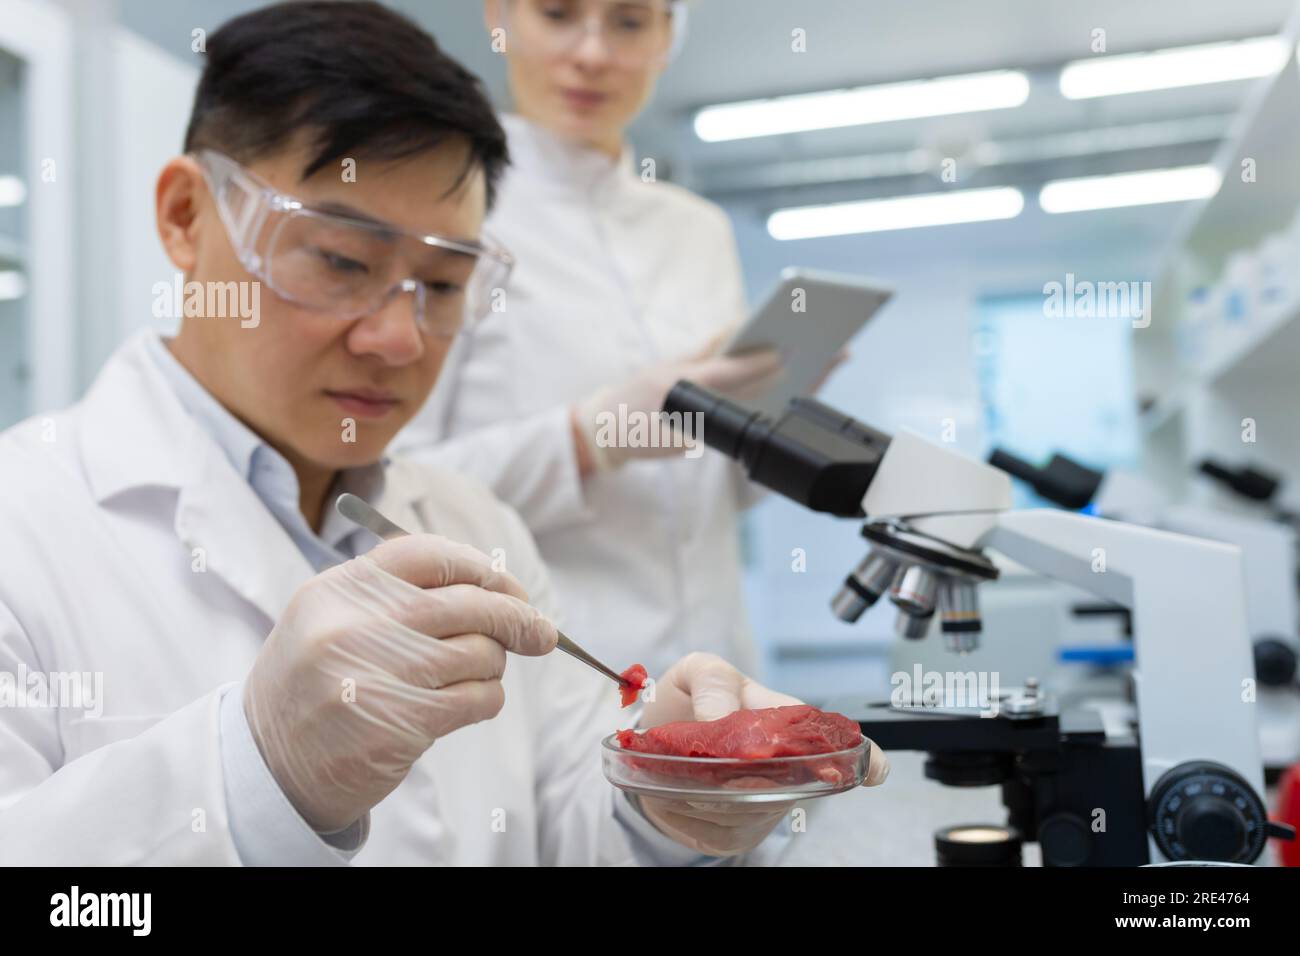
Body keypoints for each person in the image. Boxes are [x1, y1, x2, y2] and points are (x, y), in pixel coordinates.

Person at [0, 1, 885, 866]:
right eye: (342, 261)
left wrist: (660, 802)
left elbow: (560, 828)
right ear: (187, 217)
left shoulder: (481, 527)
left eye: (446, 284)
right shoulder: (25, 524)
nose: (398, 338)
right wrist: (255, 776)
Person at [399, 0, 843, 679]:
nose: (594, 53)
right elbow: (395, 491)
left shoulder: (698, 230)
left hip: (717, 669)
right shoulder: (448, 215)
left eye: (630, 22)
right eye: (557, 13)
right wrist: (587, 438)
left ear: (669, 37)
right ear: (499, 18)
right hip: (547, 678)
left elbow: (710, 497)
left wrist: (765, 426)